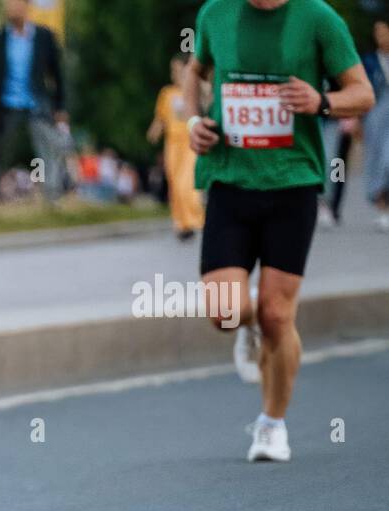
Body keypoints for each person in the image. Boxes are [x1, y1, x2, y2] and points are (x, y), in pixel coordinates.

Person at [185, 0, 374, 463]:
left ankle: (271, 425)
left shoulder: (319, 19)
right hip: (230, 180)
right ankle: (247, 332)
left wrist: (323, 101)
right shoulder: (216, 14)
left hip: (292, 184)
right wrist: (194, 120)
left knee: (276, 314)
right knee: (225, 313)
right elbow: (195, 72)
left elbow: (363, 92)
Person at [0, 0, 67, 202]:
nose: (12, 7)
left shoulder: (44, 37)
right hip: (5, 103)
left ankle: (50, 194)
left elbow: (57, 75)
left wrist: (60, 106)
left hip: (37, 102)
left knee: (45, 150)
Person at [148, 57, 205, 241]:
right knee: (174, 182)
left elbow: (206, 103)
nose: (174, 74)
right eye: (173, 70)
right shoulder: (167, 93)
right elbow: (161, 118)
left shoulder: (193, 90)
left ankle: (195, 219)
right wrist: (154, 132)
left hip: (189, 142)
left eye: (178, 69)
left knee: (186, 182)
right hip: (172, 144)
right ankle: (181, 224)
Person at [362, 19, 389, 232]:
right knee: (336, 162)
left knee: (387, 161)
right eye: (378, 33)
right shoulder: (370, 61)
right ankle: (328, 205)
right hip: (375, 118)